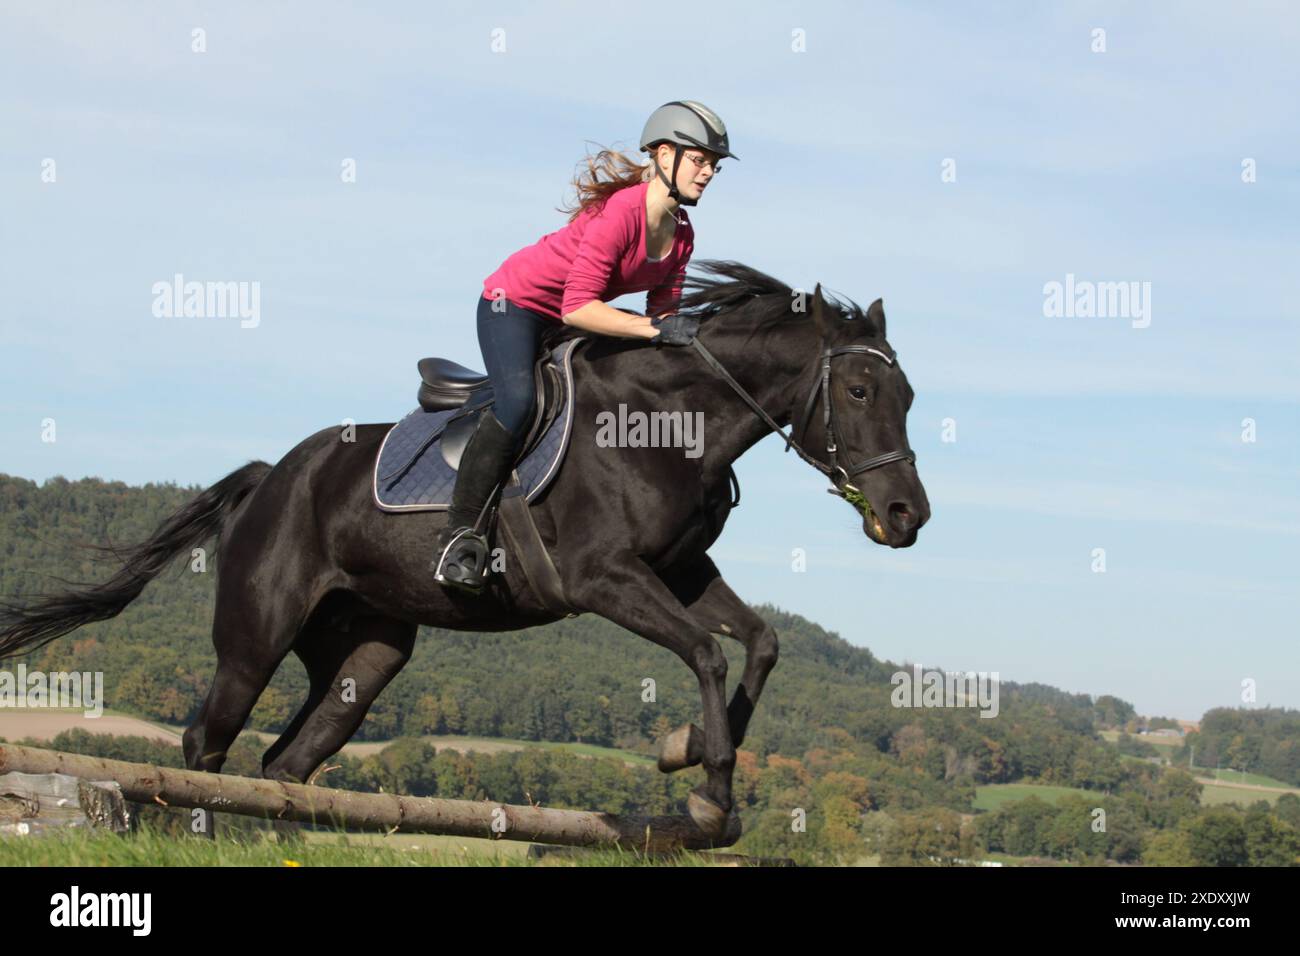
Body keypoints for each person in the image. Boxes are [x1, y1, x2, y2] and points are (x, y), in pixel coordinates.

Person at [431, 99, 738, 592]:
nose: (707, 174)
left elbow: (661, 318)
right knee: (520, 401)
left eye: (713, 166)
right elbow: (578, 308)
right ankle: (459, 538)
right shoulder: (621, 213)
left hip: (571, 317)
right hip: (515, 304)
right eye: (699, 160)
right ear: (664, 156)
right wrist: (657, 330)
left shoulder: (682, 236)